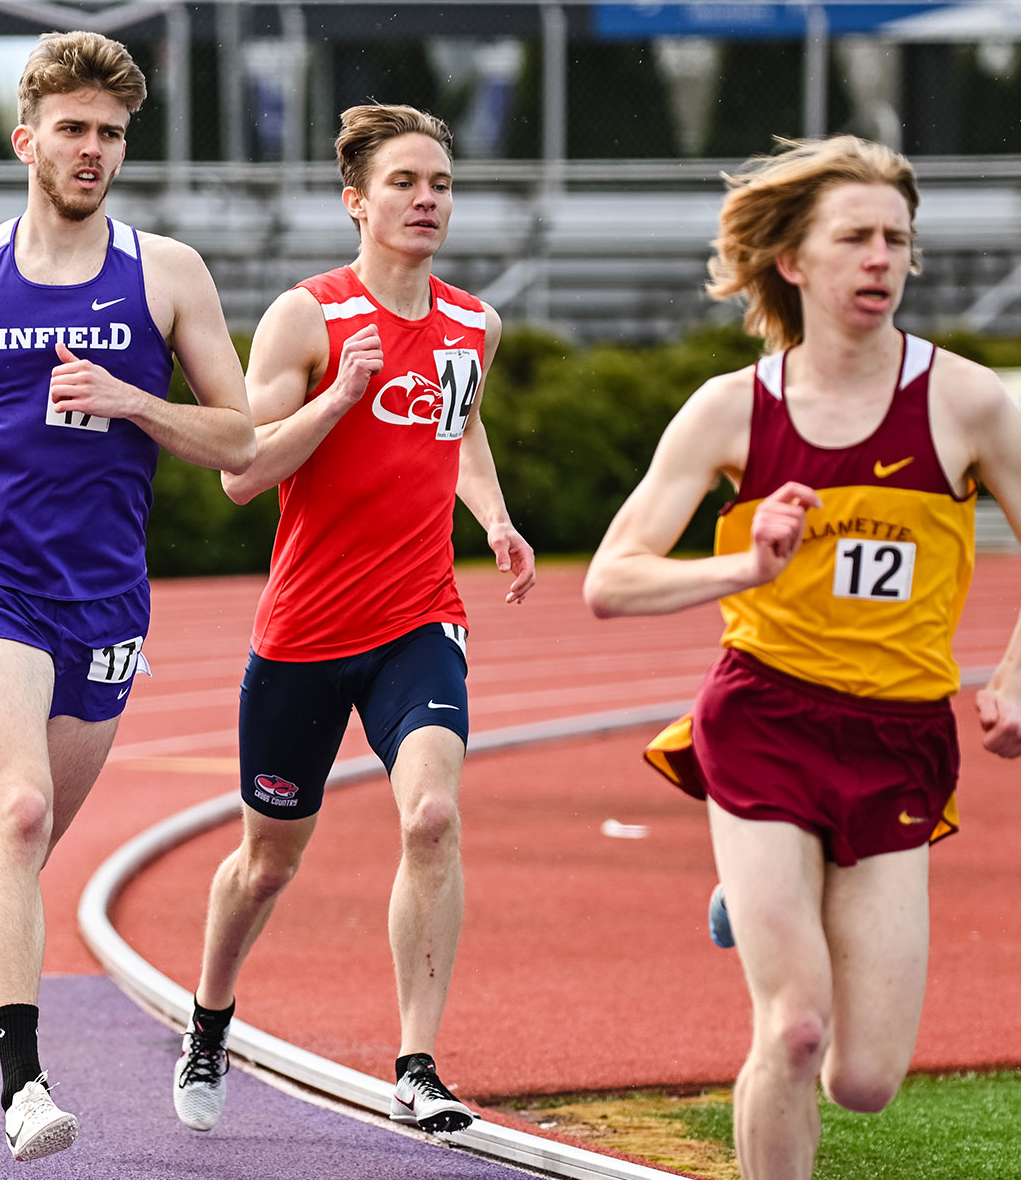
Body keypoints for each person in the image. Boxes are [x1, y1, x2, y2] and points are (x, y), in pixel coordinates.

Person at [583, 136, 1021, 1180]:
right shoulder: (734, 408)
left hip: (900, 739)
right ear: (792, 261)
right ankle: (765, 872)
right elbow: (611, 579)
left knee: (863, 1078)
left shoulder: (967, 404)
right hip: (766, 720)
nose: (881, 259)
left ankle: (757, 893)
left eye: (897, 240)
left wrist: (1016, 671)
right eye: (855, 237)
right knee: (793, 1029)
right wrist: (744, 567)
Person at [0, 31, 254, 1162]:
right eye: (72, 129)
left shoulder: (167, 273)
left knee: (13, 831)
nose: (92, 150)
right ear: (26, 139)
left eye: (111, 134)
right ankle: (23, 1086)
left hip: (105, 597)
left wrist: (137, 401)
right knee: (23, 810)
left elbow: (239, 438)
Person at [170, 103, 535, 1137]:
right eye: (404, 184)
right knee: (267, 864)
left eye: (442, 184)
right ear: (356, 203)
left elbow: (461, 428)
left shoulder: (474, 324)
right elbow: (243, 473)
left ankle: (417, 1064)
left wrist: (495, 518)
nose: (427, 201)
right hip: (304, 633)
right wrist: (338, 398)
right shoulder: (308, 318)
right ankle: (209, 1019)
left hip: (419, 619)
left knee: (431, 816)